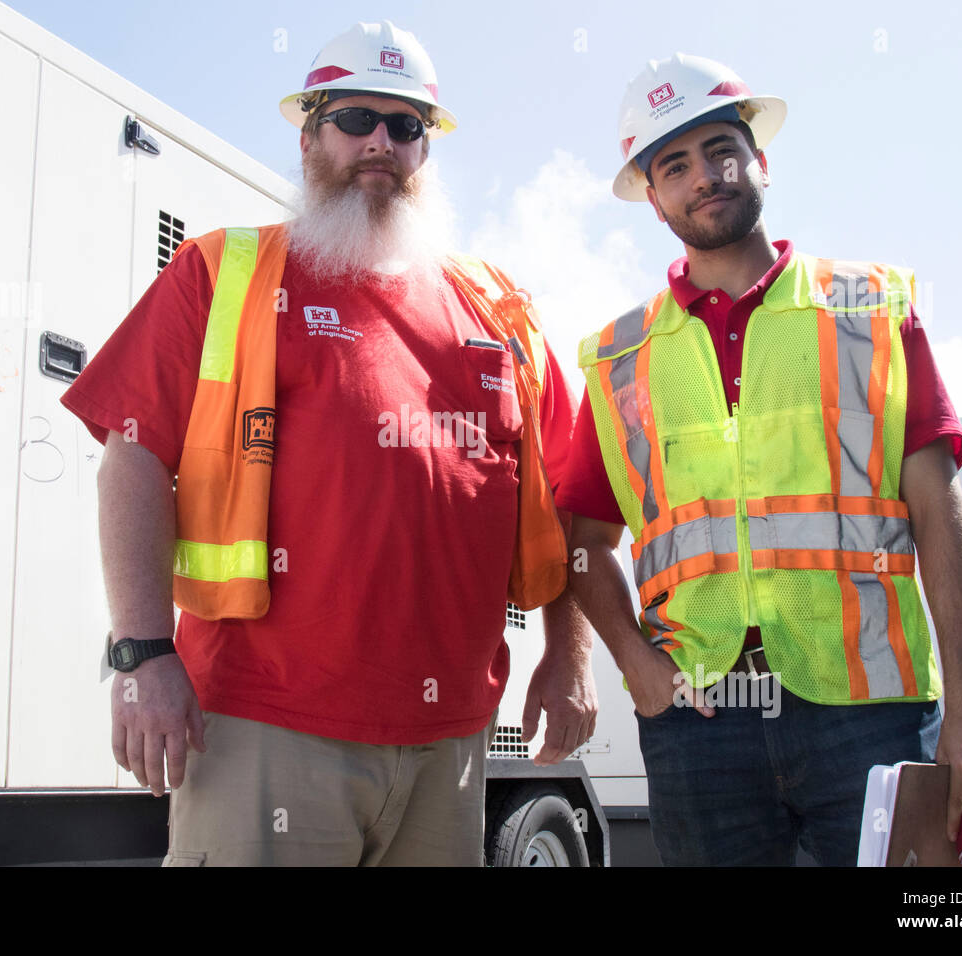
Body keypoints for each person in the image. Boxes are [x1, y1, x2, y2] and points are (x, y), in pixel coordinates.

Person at [60, 19, 596, 866]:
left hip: (449, 748)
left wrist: (569, 660)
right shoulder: (221, 275)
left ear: (426, 150)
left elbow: (569, 498)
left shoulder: (499, 312)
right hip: (262, 730)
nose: (380, 142)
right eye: (356, 119)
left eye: (407, 125)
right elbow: (130, 457)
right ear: (310, 135)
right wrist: (141, 652)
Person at [560, 53, 962, 865]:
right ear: (655, 200)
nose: (707, 175)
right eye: (676, 165)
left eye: (723, 149)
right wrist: (635, 666)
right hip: (697, 717)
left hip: (870, 708)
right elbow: (580, 539)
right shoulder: (620, 359)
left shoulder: (870, 309)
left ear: (760, 159)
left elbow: (938, 505)